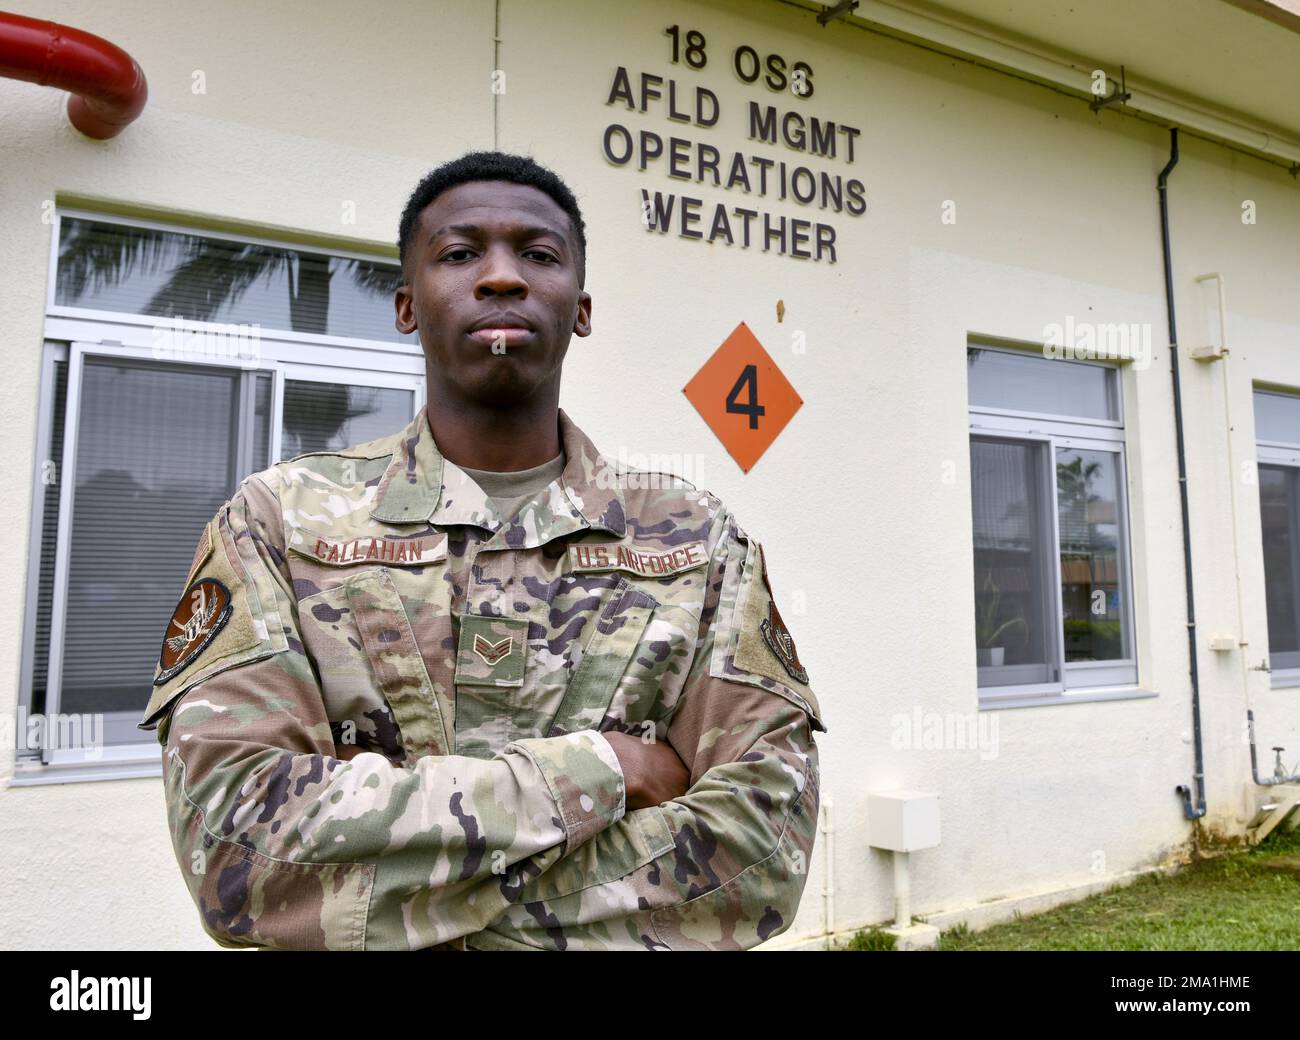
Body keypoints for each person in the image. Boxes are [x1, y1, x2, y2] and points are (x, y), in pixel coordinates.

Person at [139, 150, 826, 951]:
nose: (502, 276)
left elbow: (764, 844)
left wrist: (411, 899)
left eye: (539, 254)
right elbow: (238, 851)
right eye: (461, 253)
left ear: (581, 310)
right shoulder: (279, 523)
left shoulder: (694, 537)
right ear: (407, 305)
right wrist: (604, 772)